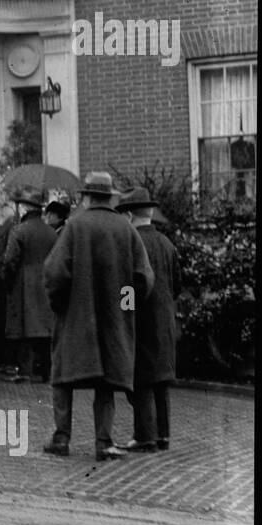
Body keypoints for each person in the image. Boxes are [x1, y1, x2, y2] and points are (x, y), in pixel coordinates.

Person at [43, 171, 155, 461]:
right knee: (106, 382)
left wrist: (60, 305)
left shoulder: (74, 226)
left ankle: (61, 438)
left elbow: (55, 273)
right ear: (109, 197)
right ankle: (103, 442)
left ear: (87, 197)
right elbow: (143, 278)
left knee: (62, 377)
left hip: (75, 319)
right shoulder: (125, 228)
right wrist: (125, 306)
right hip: (114, 319)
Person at [117, 187, 181, 452]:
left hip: (140, 319)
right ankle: (162, 435)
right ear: (151, 213)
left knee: (141, 378)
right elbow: (177, 285)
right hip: (165, 320)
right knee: (161, 379)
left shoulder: (131, 243)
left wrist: (123, 308)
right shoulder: (167, 244)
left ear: (130, 215)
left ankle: (144, 436)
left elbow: (129, 285)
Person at [3, 187, 57, 382]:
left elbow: (10, 260)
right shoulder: (52, 233)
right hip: (46, 283)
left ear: (25, 209)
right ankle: (46, 372)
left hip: (23, 284)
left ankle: (25, 371)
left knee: (24, 331)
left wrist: (8, 281)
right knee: (44, 329)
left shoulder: (18, 231)